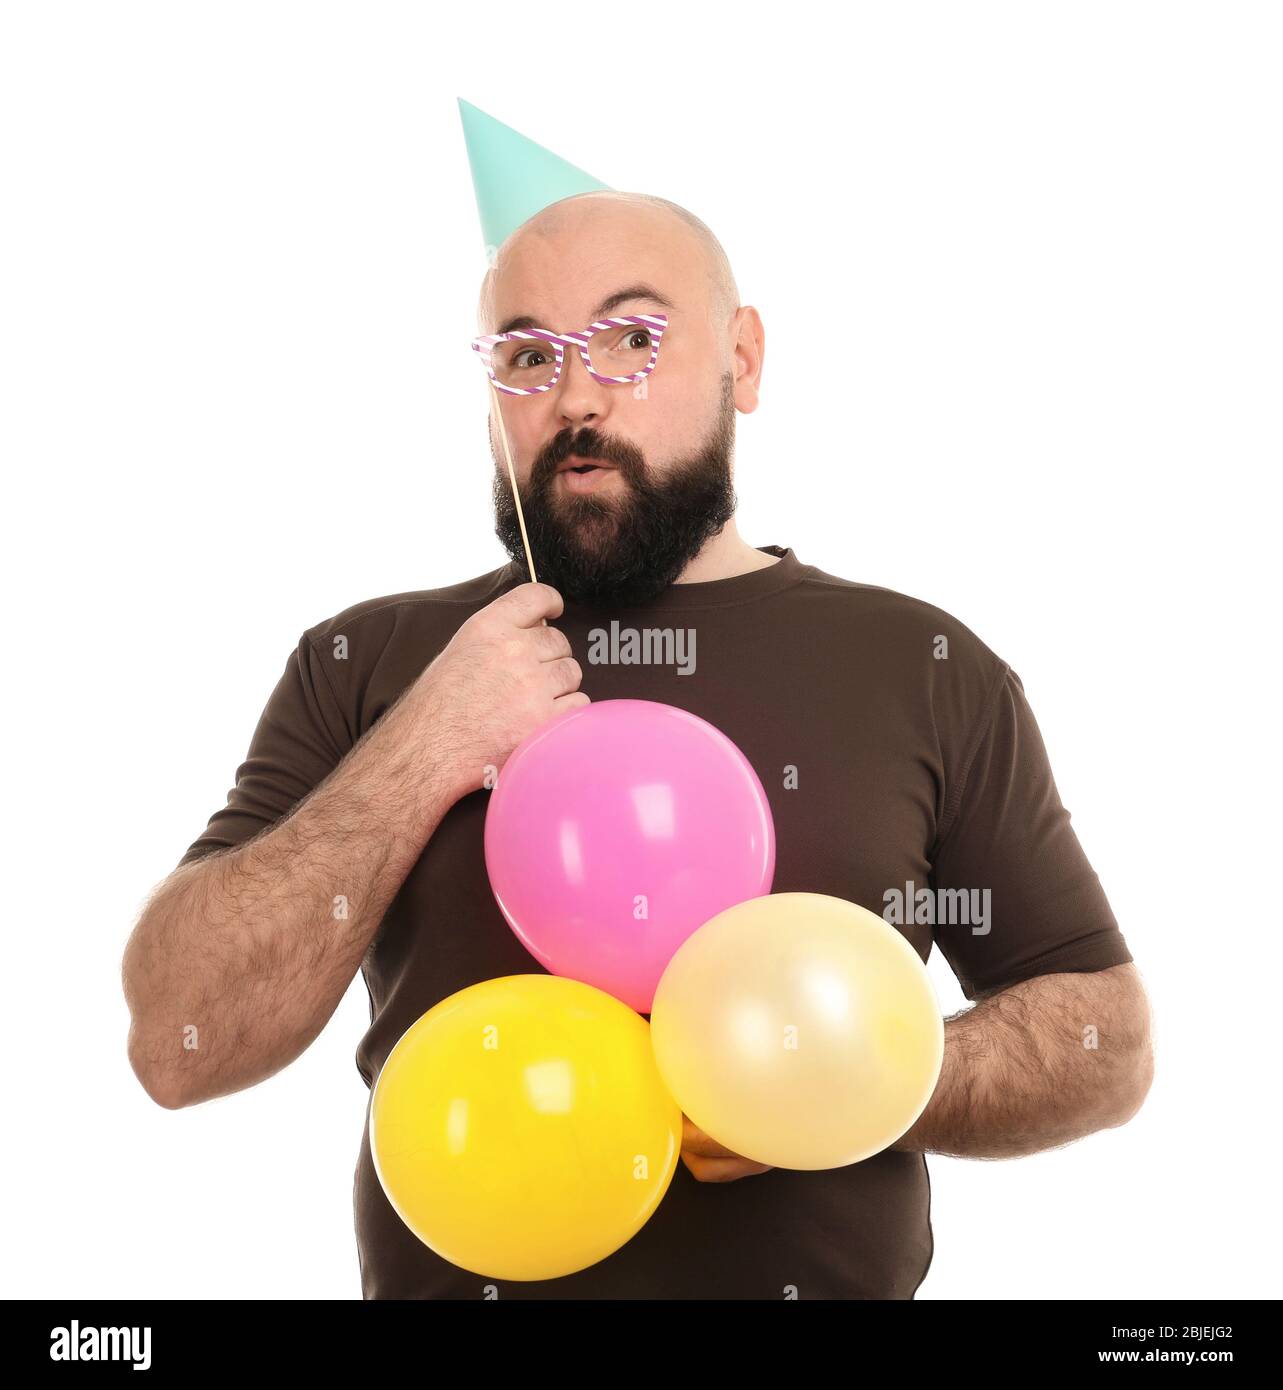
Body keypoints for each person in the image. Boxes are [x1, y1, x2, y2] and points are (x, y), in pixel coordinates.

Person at [122, 190, 1153, 1299]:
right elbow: (179, 1040)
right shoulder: (366, 662)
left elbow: (1104, 1041)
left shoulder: (921, 665)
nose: (573, 397)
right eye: (524, 354)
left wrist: (858, 1073)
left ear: (742, 361)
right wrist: (425, 746)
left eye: (630, 338)